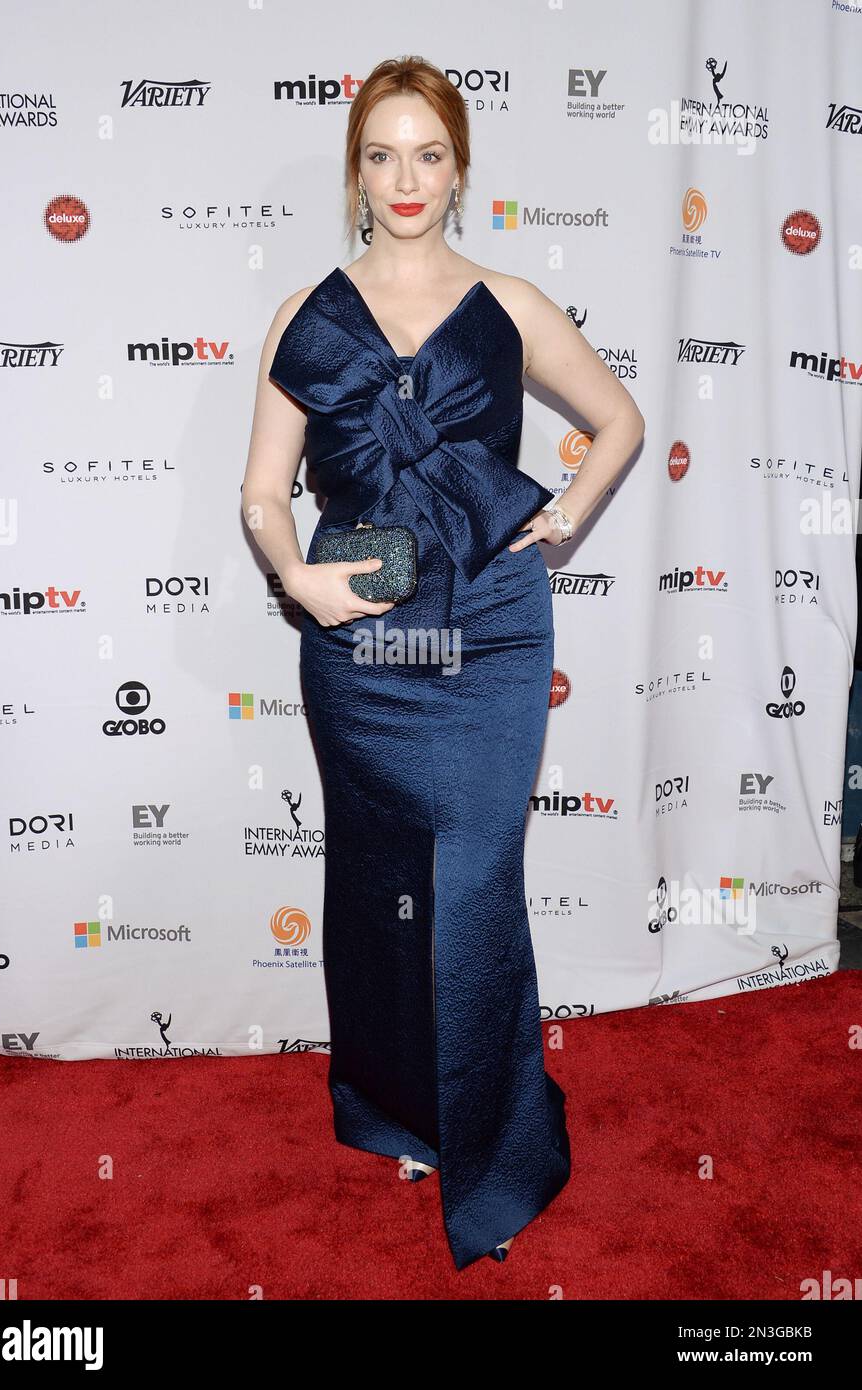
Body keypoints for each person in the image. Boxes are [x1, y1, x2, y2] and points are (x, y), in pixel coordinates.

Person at [241, 54, 644, 1270]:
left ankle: (498, 1154)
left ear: (460, 169)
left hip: (493, 627)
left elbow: (616, 422)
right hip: (359, 637)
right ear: (355, 176)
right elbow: (263, 492)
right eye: (381, 154)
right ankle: (397, 1111)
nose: (405, 177)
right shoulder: (306, 315)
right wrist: (292, 574)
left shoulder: (510, 303)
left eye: (428, 153)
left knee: (472, 888)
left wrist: (563, 517)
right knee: (378, 887)